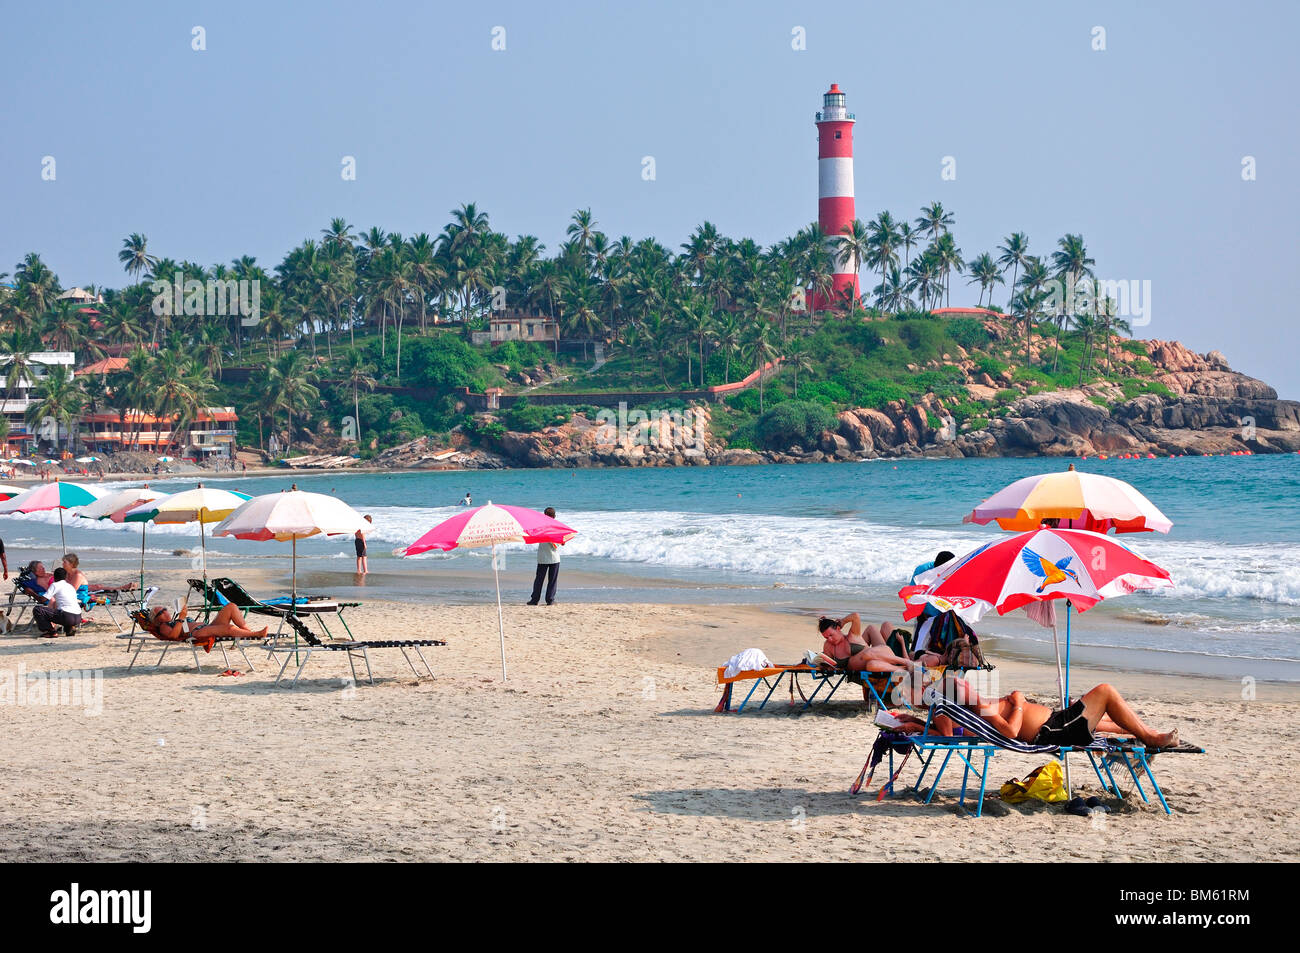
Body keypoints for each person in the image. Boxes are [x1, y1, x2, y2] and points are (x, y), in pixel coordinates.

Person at [926, 677, 1178, 749]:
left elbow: (946, 729)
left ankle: (1145, 732)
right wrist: (1020, 702)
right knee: (1105, 691)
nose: (966, 681)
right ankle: (1150, 738)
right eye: (962, 684)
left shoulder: (975, 706)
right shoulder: (979, 705)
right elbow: (1011, 731)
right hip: (1052, 730)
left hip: (1055, 723)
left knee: (1106, 720)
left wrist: (914, 725)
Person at [817, 612, 939, 674]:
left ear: (838, 629)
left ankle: (907, 662)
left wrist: (843, 621)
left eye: (831, 635)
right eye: (826, 637)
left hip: (883, 652)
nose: (830, 639)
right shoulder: (828, 646)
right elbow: (830, 664)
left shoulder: (852, 635)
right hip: (875, 663)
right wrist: (825, 665)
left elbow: (856, 616)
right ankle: (905, 669)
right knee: (871, 665)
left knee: (867, 654)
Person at [149, 600, 268, 651]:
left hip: (206, 627)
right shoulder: (164, 626)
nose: (165, 612)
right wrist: (181, 617)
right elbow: (173, 636)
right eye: (160, 612)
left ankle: (248, 633)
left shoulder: (175, 621)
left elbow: (183, 628)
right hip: (197, 633)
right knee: (227, 629)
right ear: (157, 619)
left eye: (164, 609)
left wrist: (182, 616)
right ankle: (256, 634)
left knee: (231, 606)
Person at [527, 507, 561, 606]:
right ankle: (550, 600)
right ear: (554, 517)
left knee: (539, 580)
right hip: (553, 558)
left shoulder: (540, 527)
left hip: (542, 557)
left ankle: (534, 600)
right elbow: (554, 545)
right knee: (552, 581)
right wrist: (560, 542)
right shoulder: (553, 527)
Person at [34, 567, 81, 637]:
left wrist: (31, 593)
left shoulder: (55, 585)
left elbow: (43, 600)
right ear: (66, 577)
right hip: (78, 617)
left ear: (54, 577)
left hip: (67, 616)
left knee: (37, 610)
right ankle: (69, 628)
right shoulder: (70, 586)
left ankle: (51, 631)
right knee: (63, 610)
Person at [909, 550, 955, 621]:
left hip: (947, 613)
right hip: (926, 613)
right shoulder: (922, 571)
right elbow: (912, 593)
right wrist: (919, 613)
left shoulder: (956, 570)